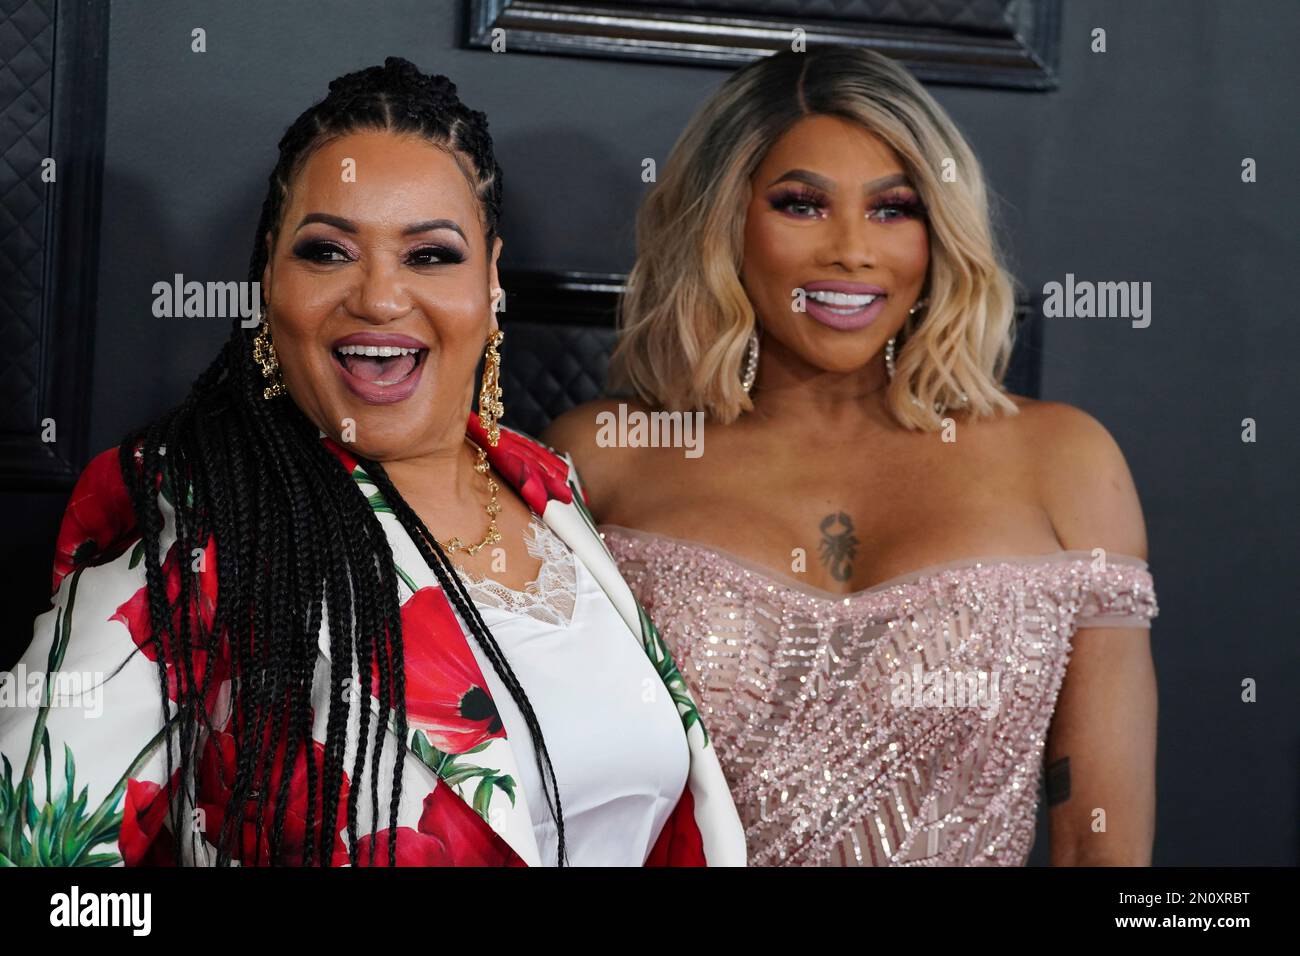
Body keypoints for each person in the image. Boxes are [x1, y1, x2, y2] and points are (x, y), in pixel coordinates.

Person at [0, 57, 744, 868]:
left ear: (491, 281)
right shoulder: (197, 534)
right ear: (269, 281)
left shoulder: (551, 490)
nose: (381, 298)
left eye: (430, 255)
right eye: (326, 253)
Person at [545, 46, 1159, 866]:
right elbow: (553, 800)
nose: (852, 252)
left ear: (938, 232)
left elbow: (1098, 842)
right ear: (724, 221)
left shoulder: (1068, 463)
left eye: (892, 209)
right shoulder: (601, 460)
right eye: (802, 205)